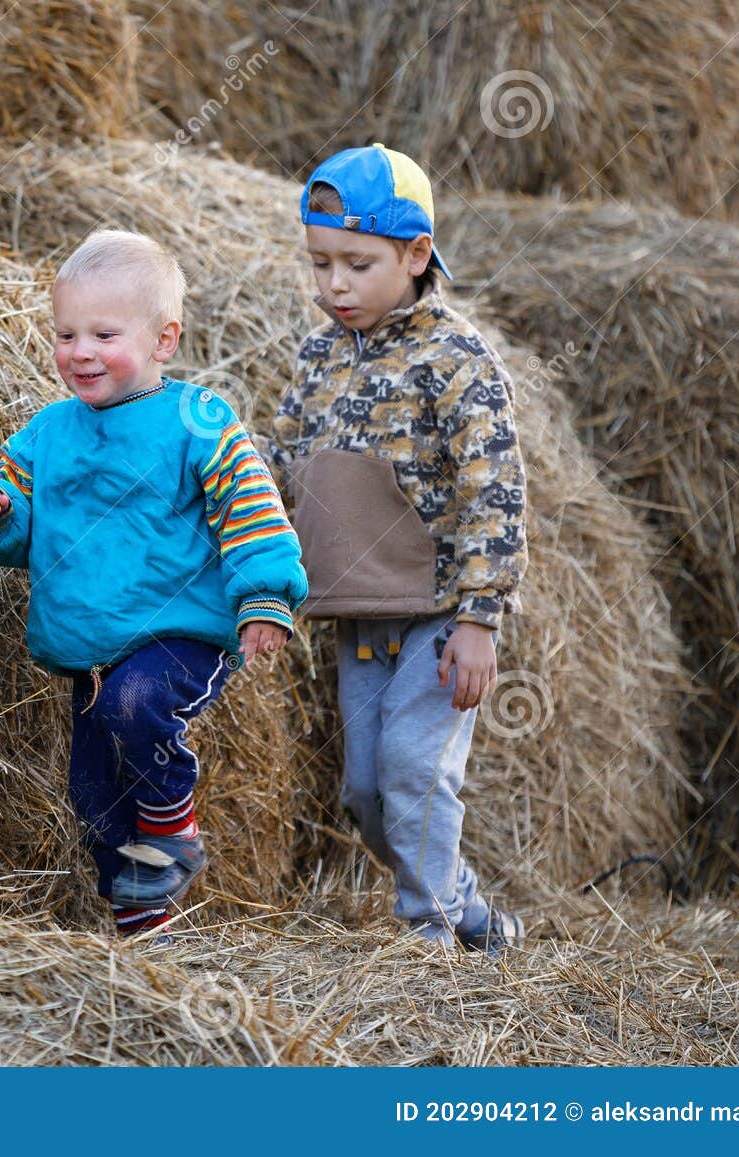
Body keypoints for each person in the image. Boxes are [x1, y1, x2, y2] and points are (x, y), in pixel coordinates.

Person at [0, 229, 307, 938]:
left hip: (179, 635)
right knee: (93, 793)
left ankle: (174, 830)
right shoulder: (46, 434)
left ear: (163, 339)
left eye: (103, 334)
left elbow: (250, 504)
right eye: (66, 334)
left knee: (137, 702)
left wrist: (263, 595)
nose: (80, 351)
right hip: (89, 654)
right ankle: (145, 927)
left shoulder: (195, 421)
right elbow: (21, 524)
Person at [270, 144, 529, 956]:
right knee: (367, 792)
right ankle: (464, 904)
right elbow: (280, 468)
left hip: (439, 613)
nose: (334, 285)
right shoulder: (316, 359)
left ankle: (429, 932)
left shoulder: (455, 359)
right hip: (359, 613)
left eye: (356, 263)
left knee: (417, 769)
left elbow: (495, 492)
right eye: (320, 264)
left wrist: (480, 618)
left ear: (416, 255)